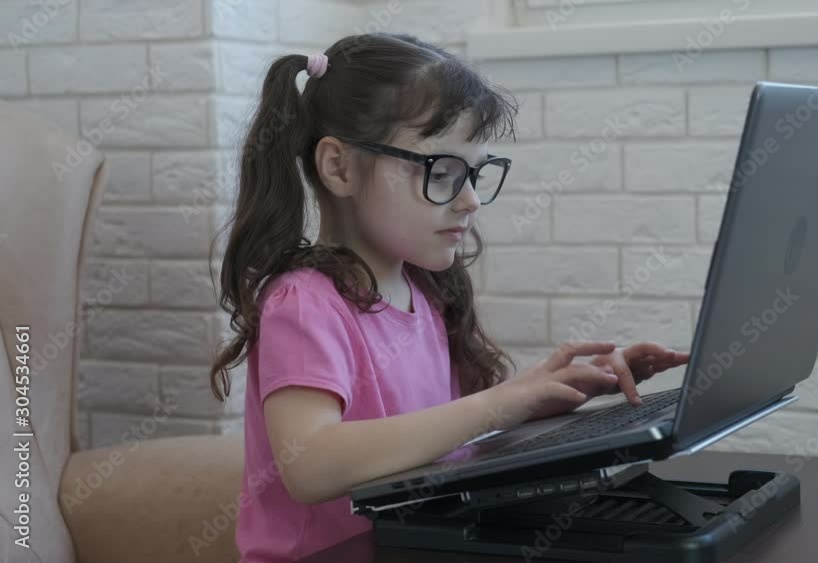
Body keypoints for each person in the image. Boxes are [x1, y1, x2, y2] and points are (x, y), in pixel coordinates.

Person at [208, 32, 690, 563]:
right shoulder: (303, 303)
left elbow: (438, 439)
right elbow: (310, 466)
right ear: (339, 167)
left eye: (476, 173)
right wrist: (497, 404)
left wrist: (545, 394)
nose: (471, 200)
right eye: (442, 172)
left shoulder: (424, 292)